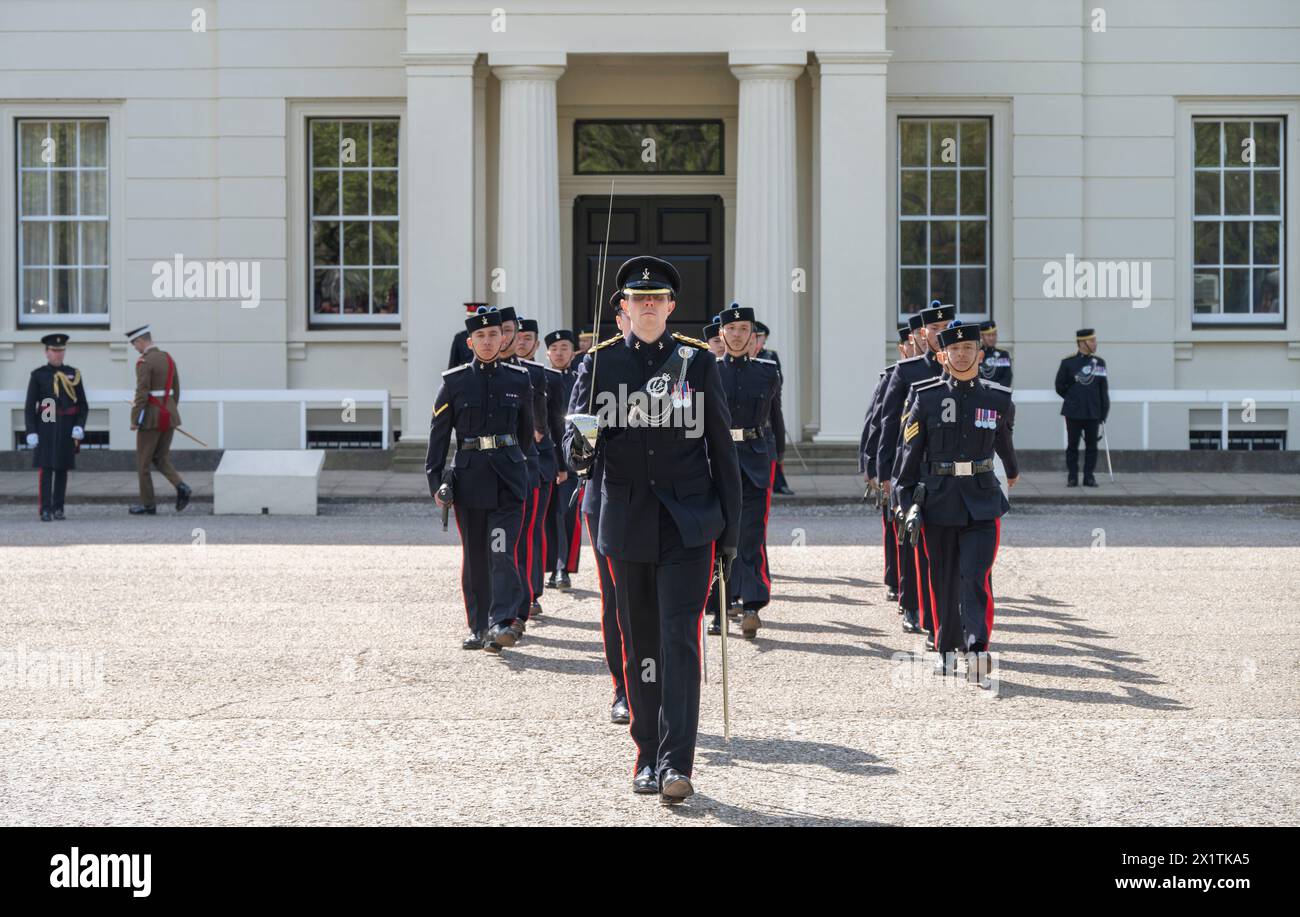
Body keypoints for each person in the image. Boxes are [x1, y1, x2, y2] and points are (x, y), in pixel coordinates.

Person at [565, 255, 741, 805]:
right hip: (626, 521)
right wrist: (580, 445)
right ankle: (645, 754)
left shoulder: (695, 363)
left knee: (679, 642)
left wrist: (730, 535)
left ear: (671, 306)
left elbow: (720, 451)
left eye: (656, 299)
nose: (646, 306)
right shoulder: (597, 365)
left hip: (688, 524)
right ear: (623, 308)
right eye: (637, 299)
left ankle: (676, 762)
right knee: (641, 641)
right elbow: (575, 445)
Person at [894, 322, 1019, 686]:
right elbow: (909, 454)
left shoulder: (997, 397)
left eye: (969, 349)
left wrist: (1012, 471)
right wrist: (905, 502)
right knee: (943, 579)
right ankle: (947, 649)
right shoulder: (926, 396)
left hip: (981, 499)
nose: (962, 354)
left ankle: (977, 647)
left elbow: (1004, 441)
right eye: (955, 350)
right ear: (942, 356)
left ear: (980, 355)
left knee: (975, 575)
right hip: (938, 499)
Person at [427, 307, 534, 653]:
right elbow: (438, 438)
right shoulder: (454, 382)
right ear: (470, 341)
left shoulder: (519, 380)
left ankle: (501, 622)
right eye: (481, 337)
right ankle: (478, 626)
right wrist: (435, 485)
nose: (488, 342)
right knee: (476, 556)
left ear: (503, 339)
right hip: (470, 480)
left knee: (500, 549)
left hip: (508, 479)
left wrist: (527, 473)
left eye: (494, 336)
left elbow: (525, 436)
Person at [571, 306, 633, 725]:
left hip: (666, 499)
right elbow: (576, 424)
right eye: (633, 308)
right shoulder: (597, 362)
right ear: (621, 318)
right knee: (616, 597)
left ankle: (659, 682)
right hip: (609, 495)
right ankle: (624, 687)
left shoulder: (685, 362)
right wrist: (580, 450)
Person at [708, 304, 783, 640]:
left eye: (744, 330)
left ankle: (751, 604)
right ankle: (719, 608)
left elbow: (776, 418)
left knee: (752, 535)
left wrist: (777, 458)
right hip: (717, 459)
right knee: (717, 533)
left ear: (753, 337)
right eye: (731, 330)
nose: (737, 335)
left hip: (755, 458)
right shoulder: (707, 370)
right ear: (721, 335)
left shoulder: (767, 371)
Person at [876, 302, 951, 635]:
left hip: (946, 472)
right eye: (935, 329)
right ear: (923, 333)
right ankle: (912, 604)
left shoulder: (959, 368)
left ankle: (944, 611)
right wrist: (882, 472)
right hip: (911, 468)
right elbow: (888, 423)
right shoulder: (906, 372)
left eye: (945, 328)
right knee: (909, 540)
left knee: (944, 543)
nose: (940, 334)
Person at [494, 309, 547, 637]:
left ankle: (519, 607)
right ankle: (494, 611)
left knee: (521, 542)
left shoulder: (532, 375)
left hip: (523, 468)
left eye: (509, 331)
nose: (503, 337)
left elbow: (540, 430)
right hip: (486, 472)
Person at [859, 323, 915, 602]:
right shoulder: (892, 376)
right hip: (893, 460)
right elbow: (876, 422)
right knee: (894, 523)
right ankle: (895, 577)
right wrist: (871, 464)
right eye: (910, 342)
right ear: (903, 347)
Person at [127, 325, 192, 515]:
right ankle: (181, 487)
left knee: (143, 463)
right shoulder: (167, 358)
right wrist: (170, 410)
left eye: (135, 345)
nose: (136, 349)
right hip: (169, 415)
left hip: (151, 419)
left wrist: (134, 419)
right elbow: (176, 390)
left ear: (141, 341)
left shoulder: (144, 362)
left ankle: (148, 505)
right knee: (160, 458)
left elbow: (142, 394)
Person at [24, 333, 88, 521]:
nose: (58, 354)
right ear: (46, 352)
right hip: (48, 418)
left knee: (62, 466)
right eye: (54, 351)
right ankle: (45, 508)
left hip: (68, 422)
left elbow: (83, 404)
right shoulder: (39, 374)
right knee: (47, 467)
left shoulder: (73, 374)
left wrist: (79, 425)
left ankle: (58, 507)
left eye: (61, 351)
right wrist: (31, 431)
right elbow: (30, 405)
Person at [544, 328, 582, 591]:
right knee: (551, 515)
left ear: (573, 352)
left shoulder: (580, 379)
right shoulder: (541, 379)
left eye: (565, 348)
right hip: (548, 456)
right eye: (555, 349)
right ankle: (554, 566)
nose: (559, 353)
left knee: (568, 513)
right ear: (547, 353)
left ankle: (564, 566)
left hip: (573, 457)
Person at [1055, 328, 1109, 487]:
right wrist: (1072, 399)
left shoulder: (1100, 363)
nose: (1095, 343)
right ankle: (1072, 477)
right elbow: (1059, 386)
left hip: (1093, 411)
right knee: (1072, 446)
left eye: (1094, 340)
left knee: (1092, 446)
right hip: (1074, 411)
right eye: (1091, 341)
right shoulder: (1068, 363)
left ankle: (1089, 477)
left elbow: (1103, 391)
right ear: (1082, 342)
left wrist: (1104, 413)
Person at [754, 320, 794, 496]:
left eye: (760, 337)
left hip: (768, 405)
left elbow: (779, 380)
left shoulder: (770, 356)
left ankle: (779, 481)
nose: (758, 341)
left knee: (772, 447)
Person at [447, 302, 488, 369]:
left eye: (475, 318)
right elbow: (453, 365)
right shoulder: (460, 337)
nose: (472, 321)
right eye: (470, 318)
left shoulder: (489, 336)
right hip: (467, 375)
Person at [978, 320, 1013, 387]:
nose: (992, 338)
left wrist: (995, 389)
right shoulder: (975, 355)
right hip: (981, 394)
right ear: (981, 336)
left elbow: (1007, 377)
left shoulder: (1003, 355)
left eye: (994, 335)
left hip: (999, 394)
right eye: (988, 335)